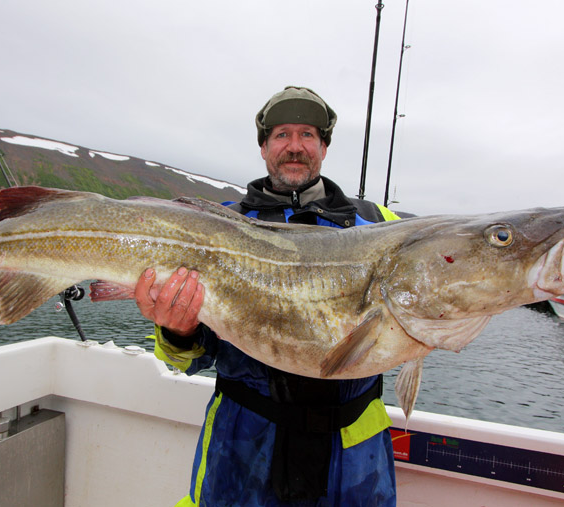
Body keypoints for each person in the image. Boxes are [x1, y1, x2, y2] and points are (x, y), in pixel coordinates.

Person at [135, 86, 401, 506]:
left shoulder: (379, 223)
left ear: (324, 148)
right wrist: (178, 332)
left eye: (307, 135)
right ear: (263, 147)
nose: (294, 147)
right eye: (281, 135)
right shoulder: (217, 224)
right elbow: (183, 359)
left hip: (353, 463)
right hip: (242, 450)